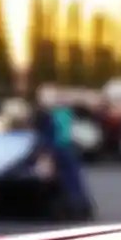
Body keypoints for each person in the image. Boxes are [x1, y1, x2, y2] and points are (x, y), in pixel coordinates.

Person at [35, 85, 93, 219]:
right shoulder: (65, 113)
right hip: (66, 148)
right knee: (72, 179)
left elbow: (47, 136)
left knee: (66, 180)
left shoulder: (50, 115)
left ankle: (73, 207)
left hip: (58, 148)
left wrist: (46, 153)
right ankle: (79, 207)